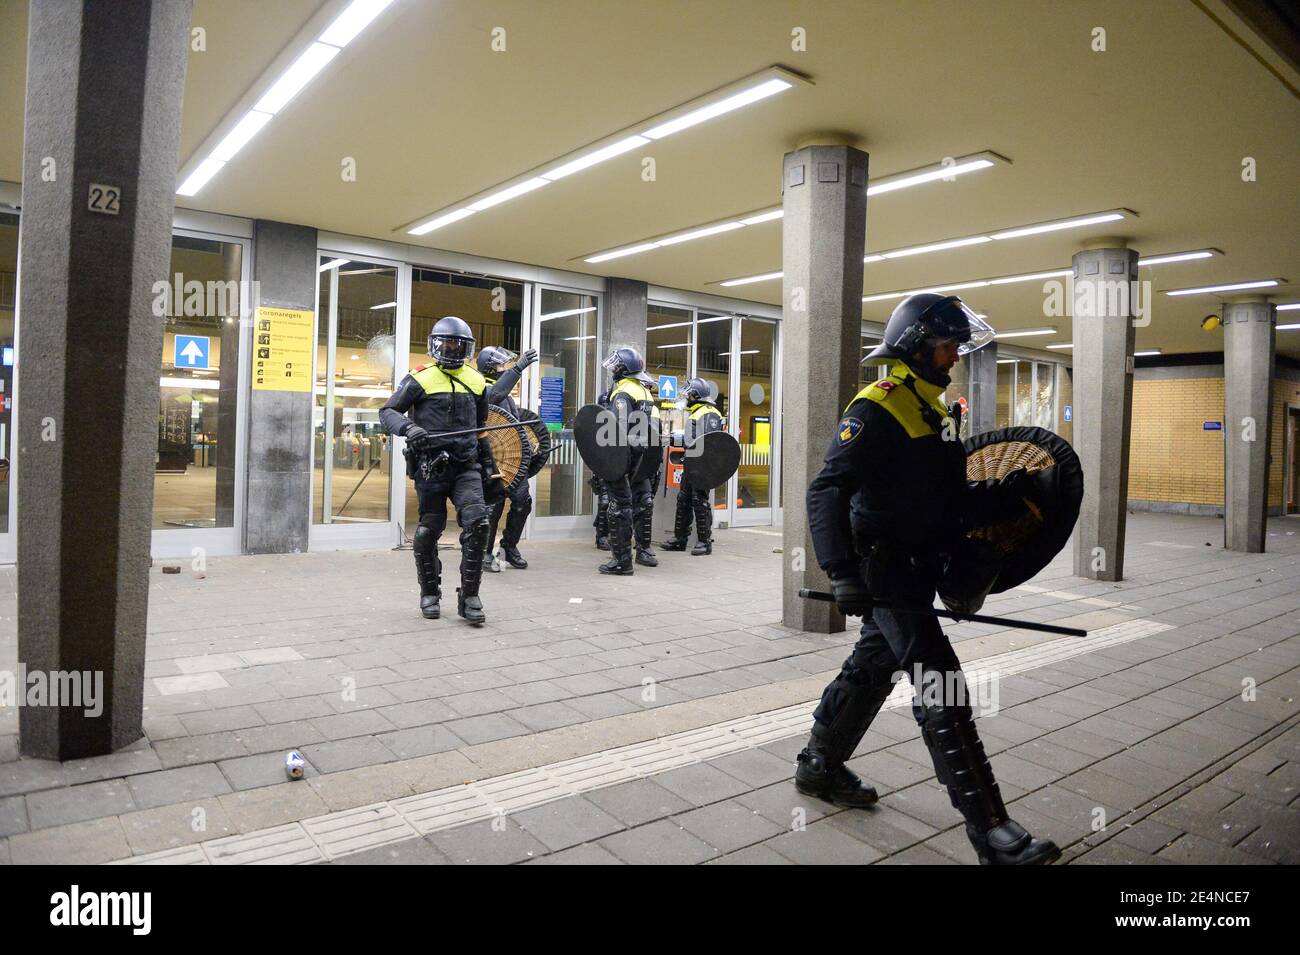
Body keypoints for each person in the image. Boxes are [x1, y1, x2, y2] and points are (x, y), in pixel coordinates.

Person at [795, 292, 1060, 866]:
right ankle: (991, 831)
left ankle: (819, 766)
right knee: (943, 686)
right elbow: (826, 489)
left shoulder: (934, 411)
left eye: (957, 346)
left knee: (871, 669)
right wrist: (840, 570)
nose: (953, 357)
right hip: (882, 569)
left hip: (919, 568)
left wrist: (1003, 497)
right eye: (946, 346)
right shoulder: (877, 407)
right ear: (917, 348)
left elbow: (945, 499)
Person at [380, 316, 498, 625]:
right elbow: (388, 411)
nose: (453, 348)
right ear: (435, 345)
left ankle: (470, 596)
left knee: (479, 523)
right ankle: (429, 593)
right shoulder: (419, 378)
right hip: (430, 468)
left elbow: (481, 428)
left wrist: (489, 466)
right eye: (447, 343)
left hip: (466, 467)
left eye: (459, 344)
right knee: (429, 529)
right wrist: (408, 427)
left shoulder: (476, 381)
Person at [598, 346, 661, 575]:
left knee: (619, 507)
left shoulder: (622, 392)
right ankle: (644, 551)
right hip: (642, 458)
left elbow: (617, 429)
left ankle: (622, 561)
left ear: (623, 369)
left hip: (623, 457)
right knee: (644, 502)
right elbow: (654, 428)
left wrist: (609, 462)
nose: (613, 369)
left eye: (616, 366)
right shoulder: (645, 392)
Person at [476, 345, 538, 571]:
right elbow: (494, 396)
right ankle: (484, 552)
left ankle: (509, 547)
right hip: (491, 458)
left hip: (512, 458)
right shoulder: (482, 387)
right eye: (503, 365)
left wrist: (530, 443)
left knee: (523, 502)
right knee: (494, 506)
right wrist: (519, 368)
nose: (506, 368)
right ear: (491, 369)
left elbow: (515, 421)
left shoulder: (507, 392)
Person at [661, 377, 724, 556]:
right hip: (691, 461)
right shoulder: (697, 412)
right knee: (684, 499)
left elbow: (709, 441)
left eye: (688, 394)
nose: (686, 397)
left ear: (695, 395)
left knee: (699, 500)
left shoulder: (709, 412)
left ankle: (705, 542)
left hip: (703, 463)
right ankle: (680, 539)